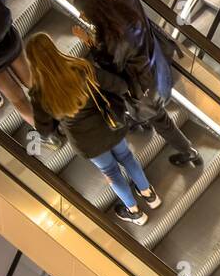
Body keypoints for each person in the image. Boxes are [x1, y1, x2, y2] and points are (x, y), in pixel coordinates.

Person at [24, 34, 159, 225]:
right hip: (110, 125)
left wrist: (60, 123)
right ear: (54, 47)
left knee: (111, 172)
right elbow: (119, 86)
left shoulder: (39, 94)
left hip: (86, 142)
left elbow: (44, 130)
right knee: (127, 158)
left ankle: (135, 212)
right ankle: (149, 195)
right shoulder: (80, 67)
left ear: (32, 62)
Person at [72, 0, 201, 168]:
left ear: (91, 13)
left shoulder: (107, 43)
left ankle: (188, 151)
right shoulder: (126, 1)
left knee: (161, 122)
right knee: (153, 116)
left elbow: (112, 74)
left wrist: (89, 43)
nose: (84, 17)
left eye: (84, 13)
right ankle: (143, 123)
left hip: (145, 92)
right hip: (160, 71)